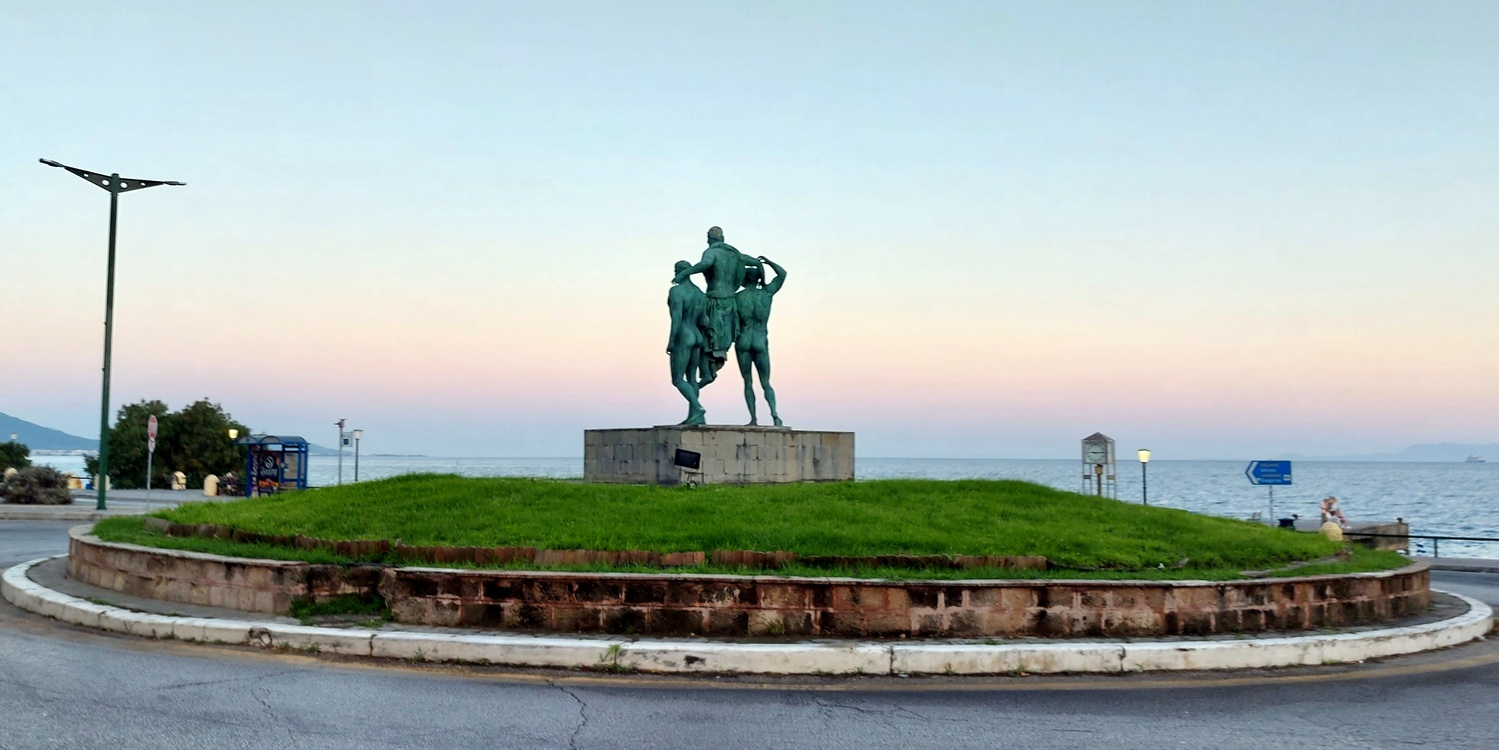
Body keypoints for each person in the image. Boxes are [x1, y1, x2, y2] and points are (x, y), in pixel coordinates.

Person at [672, 227, 763, 370]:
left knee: (706, 337)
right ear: (723, 238)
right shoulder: (736, 255)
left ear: (709, 239)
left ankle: (706, 372)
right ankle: (710, 370)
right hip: (730, 303)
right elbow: (758, 263)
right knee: (718, 342)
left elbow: (706, 264)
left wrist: (685, 273)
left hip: (715, 302)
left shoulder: (711, 252)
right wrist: (762, 283)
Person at [734, 256, 786, 426]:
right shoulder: (766, 293)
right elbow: (782, 274)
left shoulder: (737, 297)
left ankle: (753, 419)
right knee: (766, 383)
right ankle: (774, 415)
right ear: (757, 279)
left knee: (748, 382)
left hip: (743, 339)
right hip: (760, 339)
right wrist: (768, 262)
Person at [667, 260, 712, 425]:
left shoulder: (676, 291)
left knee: (678, 379)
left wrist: (671, 340)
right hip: (697, 335)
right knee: (692, 378)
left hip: (684, 335)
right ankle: (695, 416)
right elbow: (704, 321)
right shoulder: (700, 294)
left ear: (678, 271)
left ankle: (697, 407)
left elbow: (677, 317)